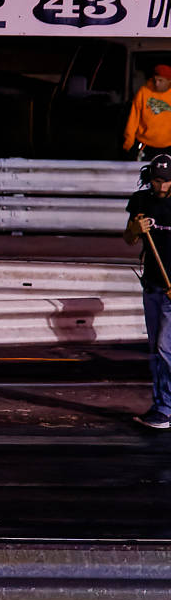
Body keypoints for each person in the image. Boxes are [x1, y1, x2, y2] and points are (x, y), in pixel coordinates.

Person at [125, 153, 171, 429]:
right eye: (157, 181)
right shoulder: (141, 201)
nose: (162, 186)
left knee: (166, 348)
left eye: (167, 181)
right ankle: (161, 404)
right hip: (153, 284)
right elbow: (128, 239)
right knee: (156, 350)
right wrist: (135, 228)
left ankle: (165, 409)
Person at [123, 65, 171, 158]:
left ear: (169, 81)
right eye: (155, 80)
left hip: (168, 146)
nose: (157, 84)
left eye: (161, 80)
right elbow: (133, 118)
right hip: (145, 144)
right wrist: (129, 142)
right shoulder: (144, 92)